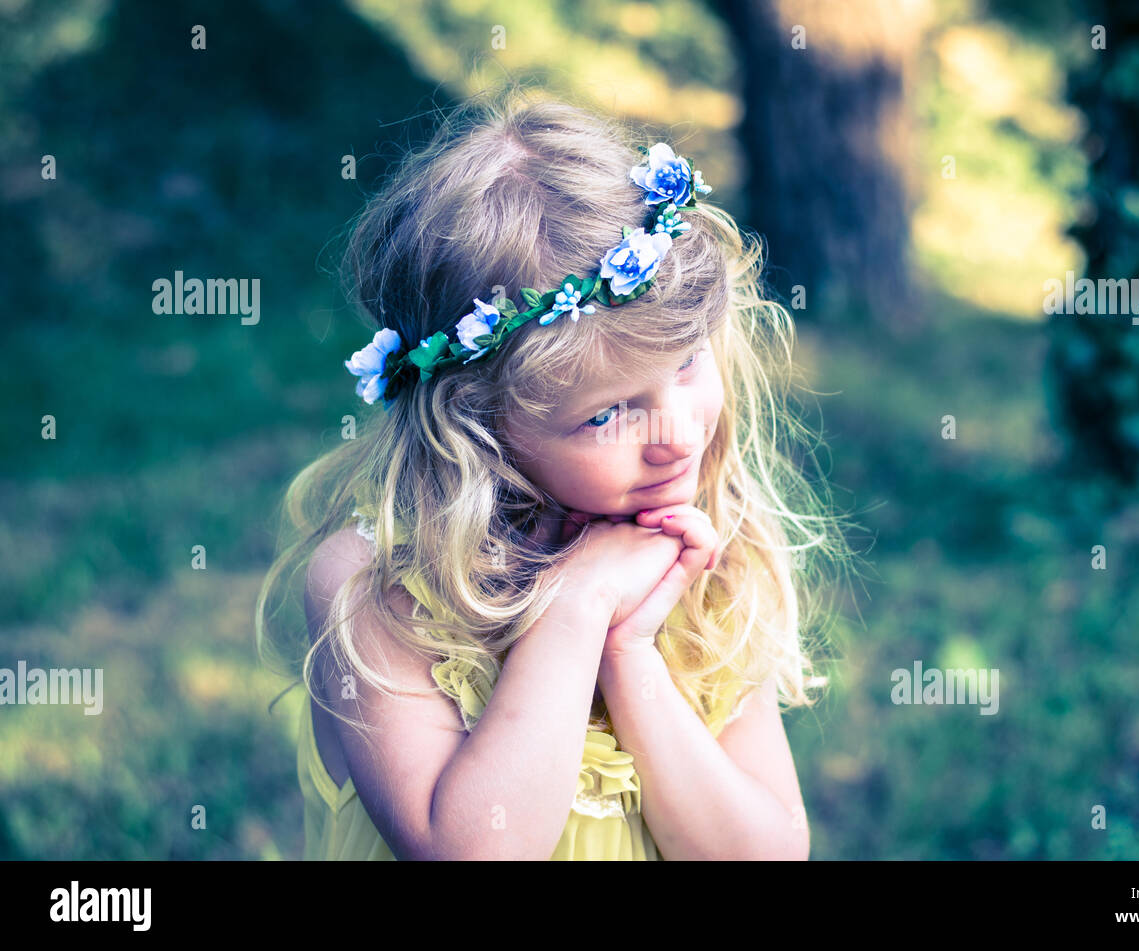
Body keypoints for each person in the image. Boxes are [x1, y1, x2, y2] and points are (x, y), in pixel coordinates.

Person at [254, 85, 850, 860]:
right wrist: (577, 609)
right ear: (479, 427)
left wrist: (629, 655)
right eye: (608, 414)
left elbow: (762, 852)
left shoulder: (709, 558)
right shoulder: (377, 591)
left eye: (689, 360)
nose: (675, 435)